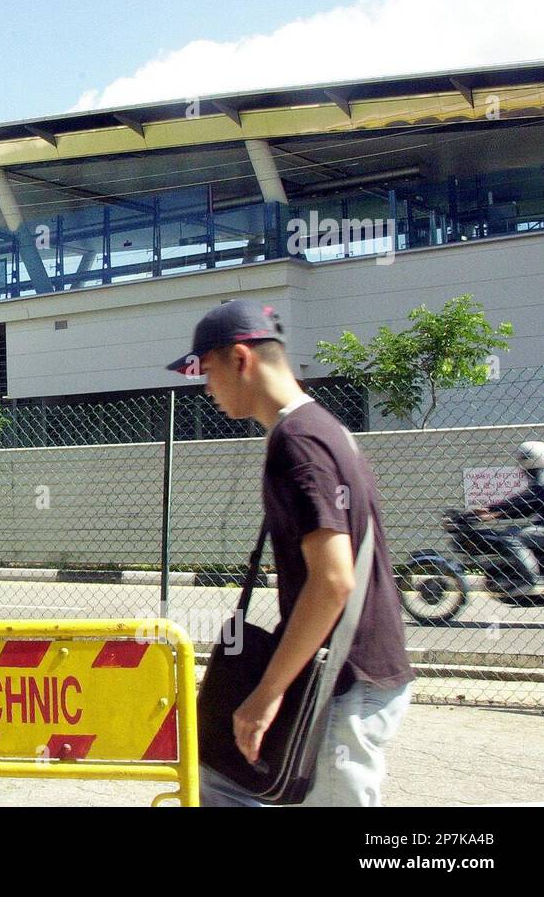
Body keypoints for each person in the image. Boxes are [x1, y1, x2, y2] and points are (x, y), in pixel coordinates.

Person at [165, 300, 415, 806]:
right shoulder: (324, 429)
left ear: (241, 359)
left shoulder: (297, 442)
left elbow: (332, 580)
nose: (206, 388)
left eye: (207, 371)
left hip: (347, 681)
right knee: (227, 786)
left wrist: (266, 694)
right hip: (352, 672)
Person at [475, 441, 544, 587]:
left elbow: (531, 500)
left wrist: (494, 510)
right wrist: (495, 511)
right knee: (513, 531)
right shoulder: (539, 475)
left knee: (511, 536)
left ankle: (532, 580)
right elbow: (527, 506)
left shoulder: (541, 477)